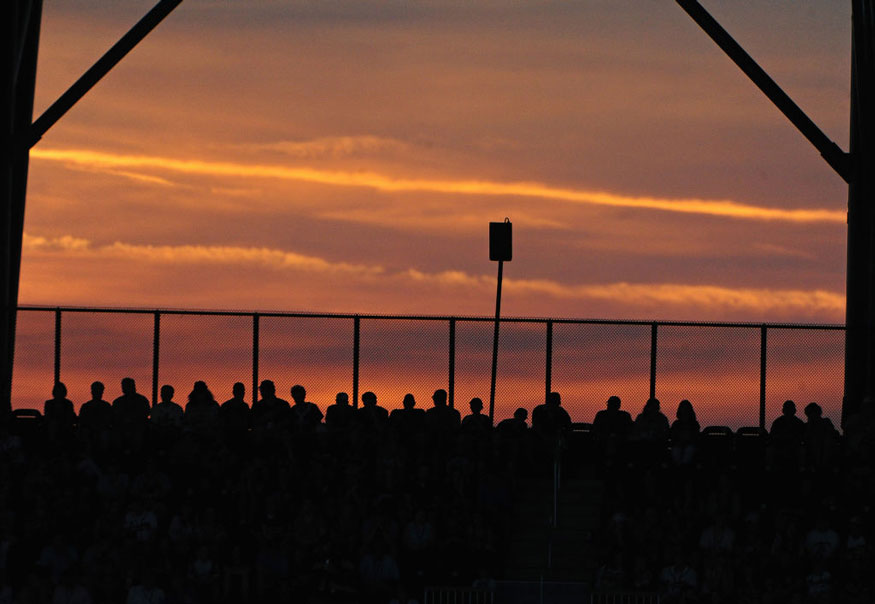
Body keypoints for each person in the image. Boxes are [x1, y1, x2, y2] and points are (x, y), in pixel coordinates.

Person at [670, 399, 700, 466]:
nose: (684, 411)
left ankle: (684, 468)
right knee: (676, 451)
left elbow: (696, 437)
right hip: (678, 445)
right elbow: (673, 436)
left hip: (690, 445)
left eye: (686, 409)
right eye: (683, 408)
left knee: (689, 451)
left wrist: (688, 441)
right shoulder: (676, 424)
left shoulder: (694, 424)